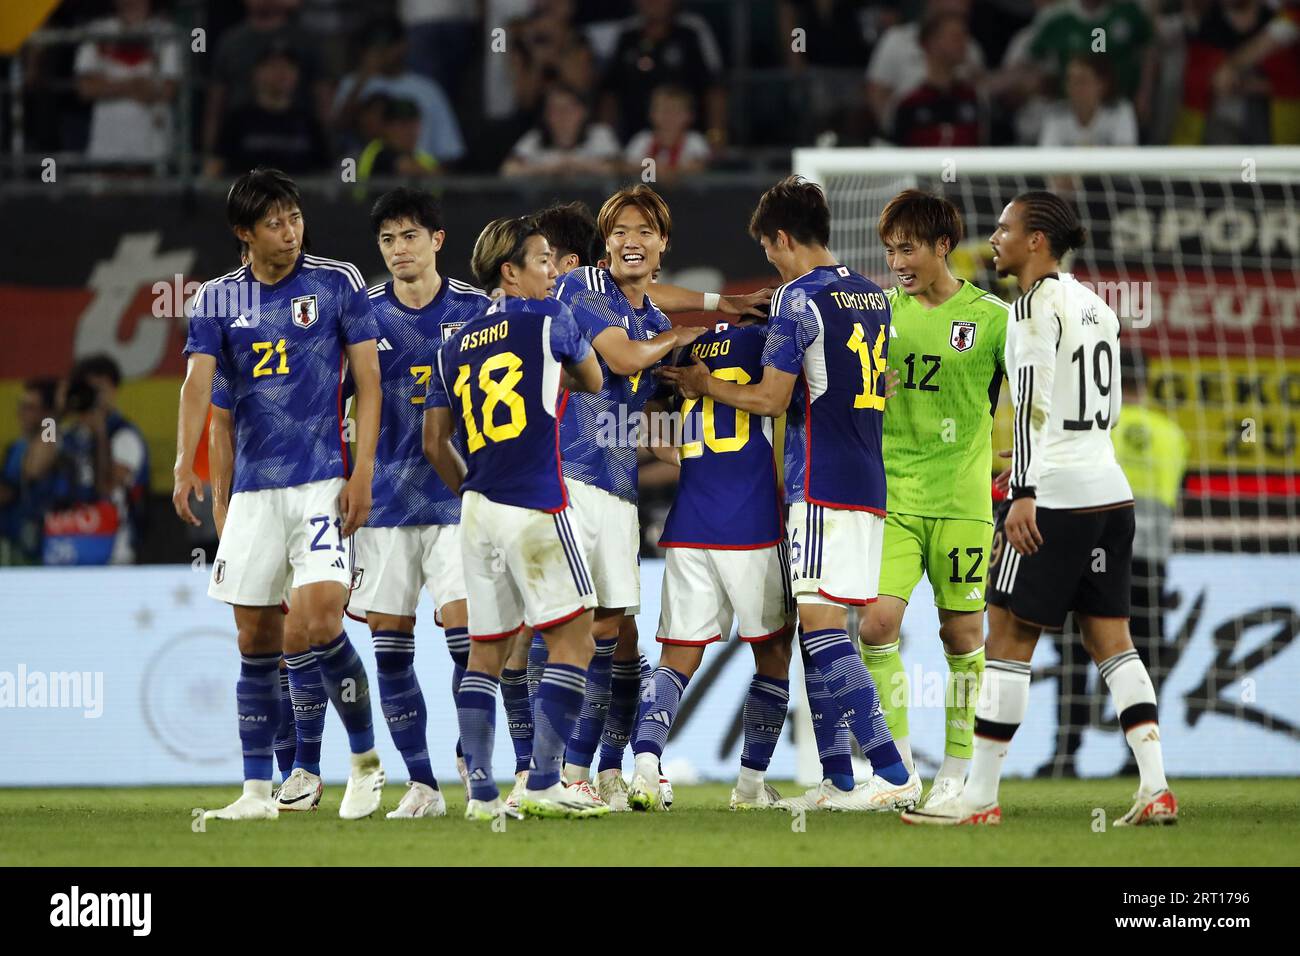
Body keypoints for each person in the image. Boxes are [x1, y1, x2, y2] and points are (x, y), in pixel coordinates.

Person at [901, 191, 1178, 826]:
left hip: (1052, 498)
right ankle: (1155, 785)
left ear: (1036, 242)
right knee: (1112, 641)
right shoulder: (1096, 305)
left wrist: (1021, 490)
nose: (993, 240)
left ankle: (979, 798)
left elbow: (1030, 405)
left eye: (1004, 229)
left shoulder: (1030, 308)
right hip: (1109, 490)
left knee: (1006, 635)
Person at [664, 176, 920, 812]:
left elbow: (770, 399)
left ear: (781, 239)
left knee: (825, 632)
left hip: (823, 482)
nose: (770, 263)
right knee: (820, 630)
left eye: (769, 250)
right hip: (867, 477)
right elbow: (879, 385)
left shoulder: (795, 301)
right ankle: (836, 777)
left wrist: (701, 381)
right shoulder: (875, 296)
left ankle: (894, 775)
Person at [174, 168, 386, 822]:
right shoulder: (215, 300)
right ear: (245, 232)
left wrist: (363, 473)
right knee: (254, 641)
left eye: (294, 217)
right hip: (256, 495)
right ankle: (257, 793)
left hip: (323, 479)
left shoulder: (337, 282)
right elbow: (201, 391)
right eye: (274, 222)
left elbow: (370, 385)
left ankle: (365, 765)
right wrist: (190, 467)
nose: (290, 232)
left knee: (320, 622)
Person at [422, 215, 606, 820]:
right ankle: (546, 781)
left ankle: (479, 795)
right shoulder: (552, 318)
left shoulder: (452, 344)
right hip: (536, 502)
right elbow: (595, 376)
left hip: (476, 508)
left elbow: (433, 441)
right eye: (544, 260)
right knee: (575, 639)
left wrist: (473, 487)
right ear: (511, 272)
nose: (554, 271)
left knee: (486, 652)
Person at [546, 186, 706, 808]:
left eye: (644, 230)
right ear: (604, 242)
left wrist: (715, 456)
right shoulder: (581, 287)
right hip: (566, 479)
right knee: (572, 628)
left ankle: (591, 770)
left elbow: (646, 424)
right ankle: (551, 773)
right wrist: (696, 328)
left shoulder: (654, 320)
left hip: (617, 490)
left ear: (663, 244)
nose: (629, 241)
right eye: (618, 231)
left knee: (611, 630)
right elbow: (624, 355)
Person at [856, 190, 1007, 812]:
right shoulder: (879, 317)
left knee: (963, 632)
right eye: (891, 250)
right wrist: (870, 389)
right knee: (876, 624)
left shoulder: (994, 317)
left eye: (909, 248)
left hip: (964, 500)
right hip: (893, 496)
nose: (898, 262)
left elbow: (1026, 399)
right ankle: (898, 771)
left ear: (944, 246)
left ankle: (958, 768)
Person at [344, 188, 492, 819]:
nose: (398, 249)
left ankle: (471, 757)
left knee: (468, 641)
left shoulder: (480, 309)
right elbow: (333, 404)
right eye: (387, 239)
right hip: (382, 507)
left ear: (437, 239)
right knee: (391, 648)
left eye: (409, 236)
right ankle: (423, 785)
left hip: (460, 499)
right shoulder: (361, 314)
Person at [627, 312, 796, 812]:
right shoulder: (771, 341)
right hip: (752, 524)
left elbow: (648, 426)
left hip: (690, 524)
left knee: (677, 657)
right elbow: (782, 400)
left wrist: (694, 456)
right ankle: (748, 789)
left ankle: (645, 770)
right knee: (774, 654)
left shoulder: (685, 350)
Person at [332, 18, 466, 165]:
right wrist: (364, 76)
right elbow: (339, 130)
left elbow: (449, 151)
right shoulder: (351, 84)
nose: (380, 54)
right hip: (371, 173)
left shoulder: (428, 89)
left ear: (402, 45)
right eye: (374, 48)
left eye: (386, 47)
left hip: (418, 176)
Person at [601, 0, 727, 145]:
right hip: (636, 143)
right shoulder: (626, 34)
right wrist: (607, 139)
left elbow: (715, 89)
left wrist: (716, 136)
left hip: (687, 143)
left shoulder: (692, 30)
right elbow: (609, 93)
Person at [73, 0, 180, 166]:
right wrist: (134, 85)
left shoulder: (167, 32)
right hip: (106, 148)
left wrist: (108, 84)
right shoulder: (97, 31)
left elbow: (168, 90)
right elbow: (85, 88)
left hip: (152, 148)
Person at [67, 354, 149, 564]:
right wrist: (60, 411)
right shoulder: (70, 436)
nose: (94, 398)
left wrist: (100, 433)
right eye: (88, 391)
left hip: (114, 551)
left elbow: (107, 488)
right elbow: (36, 472)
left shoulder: (125, 436)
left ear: (114, 389)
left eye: (99, 390)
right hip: (69, 545)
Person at [206, 42, 330, 178]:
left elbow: (325, 174)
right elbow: (214, 169)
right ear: (257, 73)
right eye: (273, 66)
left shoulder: (309, 123)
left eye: (288, 67)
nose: (281, 73)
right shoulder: (238, 121)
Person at [891, 12, 984, 147]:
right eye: (955, 37)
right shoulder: (908, 103)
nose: (963, 43)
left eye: (965, 36)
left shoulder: (972, 98)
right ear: (930, 43)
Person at [500, 84, 620, 178]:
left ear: (583, 112)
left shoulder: (599, 134)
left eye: (568, 109)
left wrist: (578, 166)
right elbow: (508, 170)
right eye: (555, 110)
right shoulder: (535, 138)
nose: (562, 116)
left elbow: (616, 168)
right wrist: (548, 169)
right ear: (546, 116)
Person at [0, 379, 61, 564]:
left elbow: (35, 468)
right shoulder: (18, 446)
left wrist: (51, 419)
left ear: (47, 412)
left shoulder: (53, 439)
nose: (21, 413)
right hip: (14, 539)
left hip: (46, 542)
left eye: (30, 408)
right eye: (21, 406)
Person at [1039, 54, 1139, 148]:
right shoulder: (1056, 115)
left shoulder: (1119, 111)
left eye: (1082, 81)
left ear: (1101, 84)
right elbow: (1047, 159)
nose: (1074, 87)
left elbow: (1125, 157)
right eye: (1070, 80)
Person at [622, 85, 712, 179]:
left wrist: (658, 170)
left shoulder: (695, 141)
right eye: (663, 110)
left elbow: (700, 166)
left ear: (689, 116)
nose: (669, 116)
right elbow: (626, 166)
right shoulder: (642, 140)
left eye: (675, 111)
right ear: (652, 114)